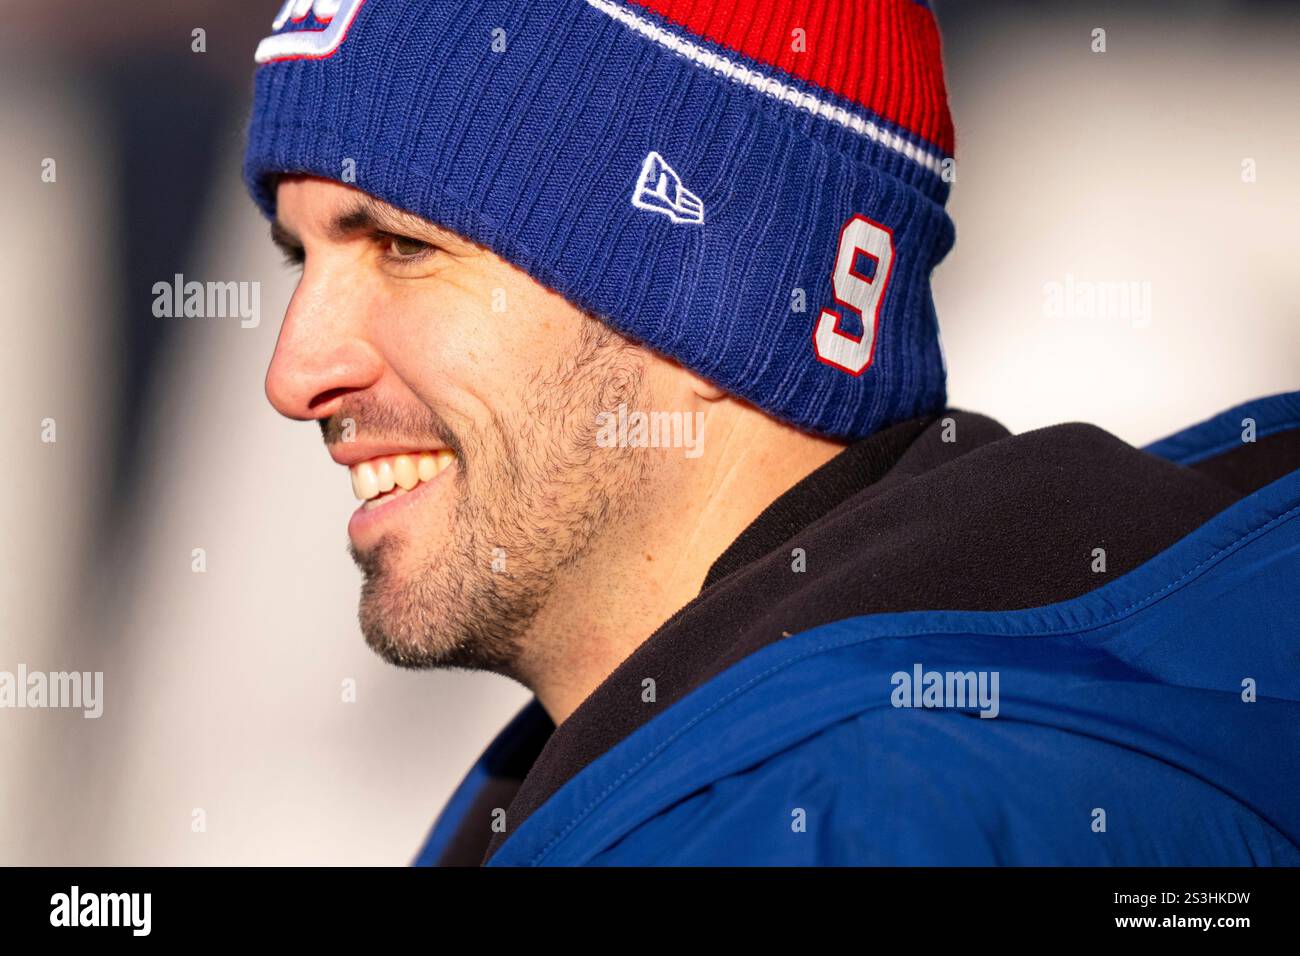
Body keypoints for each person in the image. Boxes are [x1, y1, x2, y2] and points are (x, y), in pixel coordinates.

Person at [242, 0, 1300, 865]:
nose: (294, 374)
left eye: (402, 244)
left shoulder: (849, 828)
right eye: (303, 259)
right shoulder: (739, 768)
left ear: (713, 298)